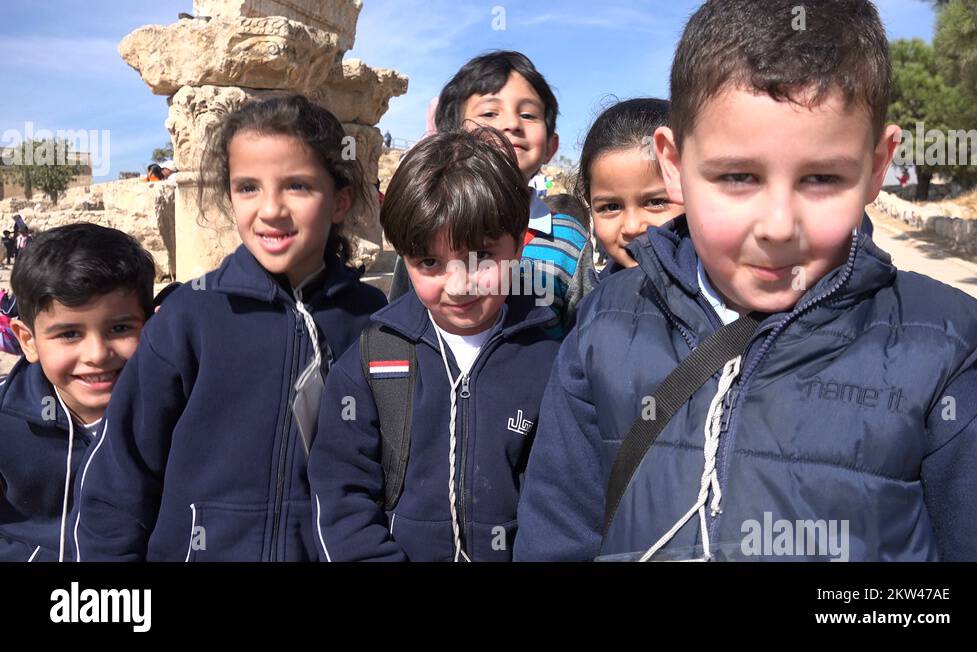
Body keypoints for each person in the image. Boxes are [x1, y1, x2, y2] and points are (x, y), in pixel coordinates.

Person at [515, 0, 977, 562]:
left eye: (822, 178)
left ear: (876, 166)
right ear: (673, 165)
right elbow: (557, 534)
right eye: (738, 176)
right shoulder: (603, 326)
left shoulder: (954, 351)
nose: (777, 227)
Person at [74, 95, 387, 561]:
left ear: (340, 201)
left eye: (297, 186)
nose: (270, 209)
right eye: (248, 187)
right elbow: (120, 480)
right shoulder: (187, 318)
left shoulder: (371, 320)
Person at [309, 128, 560, 561]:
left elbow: (560, 506)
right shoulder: (372, 362)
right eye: (430, 262)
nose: (458, 285)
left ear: (519, 244)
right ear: (404, 258)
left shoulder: (552, 359)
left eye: (480, 257)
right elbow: (341, 500)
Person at [388, 51, 594, 334]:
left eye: (528, 114)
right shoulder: (428, 226)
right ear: (450, 136)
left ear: (551, 146)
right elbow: (401, 321)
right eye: (489, 113)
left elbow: (587, 332)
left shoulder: (568, 237)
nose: (512, 124)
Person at [0, 224, 155, 562]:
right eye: (69, 334)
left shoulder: (177, 414)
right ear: (28, 341)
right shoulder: (6, 418)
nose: (97, 354)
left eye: (120, 328)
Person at [575, 99, 685, 281]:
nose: (632, 227)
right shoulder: (597, 297)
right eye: (611, 207)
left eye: (655, 202)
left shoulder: (726, 292)